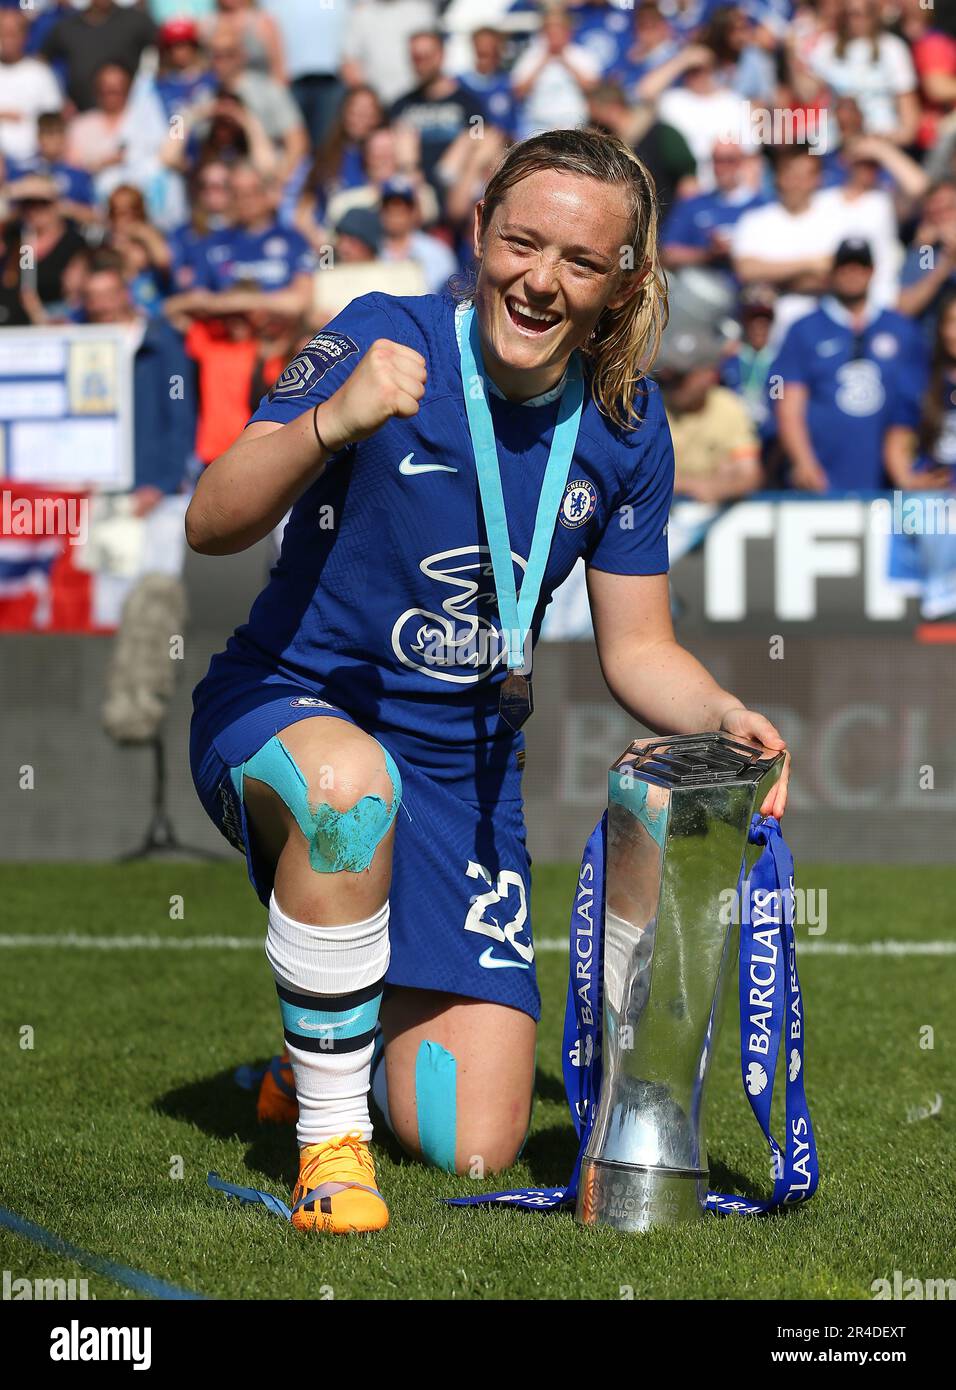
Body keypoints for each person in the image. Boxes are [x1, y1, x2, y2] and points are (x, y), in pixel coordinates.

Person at [185, 127, 790, 1236]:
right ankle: (327, 1145)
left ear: (621, 285)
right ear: (477, 236)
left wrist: (721, 715)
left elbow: (636, 649)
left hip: (463, 776)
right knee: (344, 792)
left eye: (576, 261)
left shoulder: (624, 425)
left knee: (473, 1139)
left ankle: (310, 1045)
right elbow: (212, 519)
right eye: (520, 243)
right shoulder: (380, 334)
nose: (539, 280)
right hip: (286, 709)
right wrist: (330, 421)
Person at [773, 238, 928, 492]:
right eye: (844, 267)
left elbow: (912, 405)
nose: (852, 275)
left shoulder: (901, 329)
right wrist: (803, 462)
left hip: (887, 480)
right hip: (821, 477)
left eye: (860, 267)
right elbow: (788, 400)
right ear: (833, 272)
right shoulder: (804, 330)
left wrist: (904, 470)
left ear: (872, 271)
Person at [656, 325, 763, 501]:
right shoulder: (650, 406)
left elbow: (749, 475)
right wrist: (696, 485)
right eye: (667, 374)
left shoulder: (729, 408)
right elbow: (638, 476)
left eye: (681, 376)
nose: (671, 382)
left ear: (709, 375)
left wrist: (720, 488)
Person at [0, 8, 62, 165]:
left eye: (12, 33)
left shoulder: (41, 73)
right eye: (2, 33)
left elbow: (52, 122)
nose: (7, 39)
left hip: (33, 162)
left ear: (25, 37)